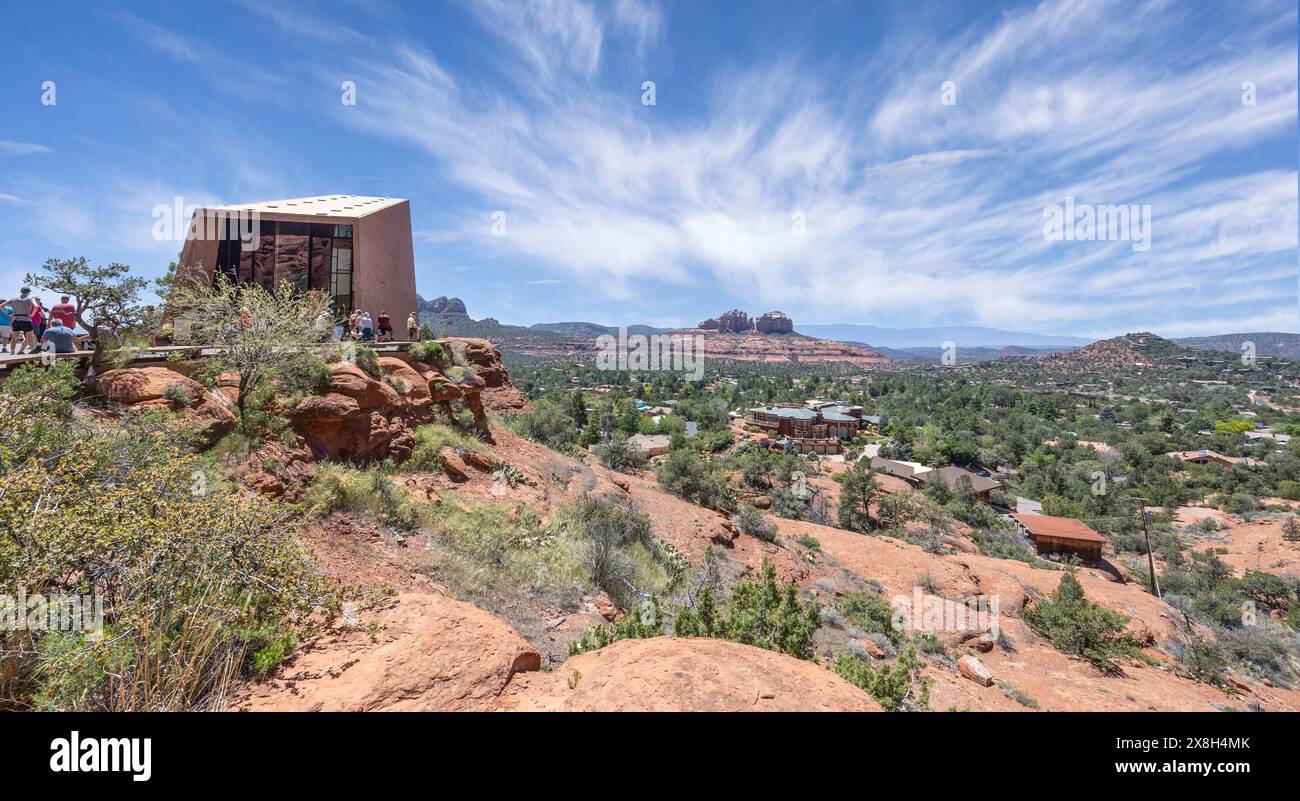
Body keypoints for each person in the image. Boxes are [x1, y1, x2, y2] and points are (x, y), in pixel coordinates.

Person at [4, 288, 37, 355]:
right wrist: (32, 314)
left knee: (14, 336)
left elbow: (1, 306)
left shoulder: (13, 299)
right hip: (26, 319)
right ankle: (33, 352)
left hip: (16, 319)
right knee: (30, 337)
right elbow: (36, 306)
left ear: (21, 292)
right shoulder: (31, 299)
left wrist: (8, 314)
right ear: (28, 292)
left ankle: (12, 352)